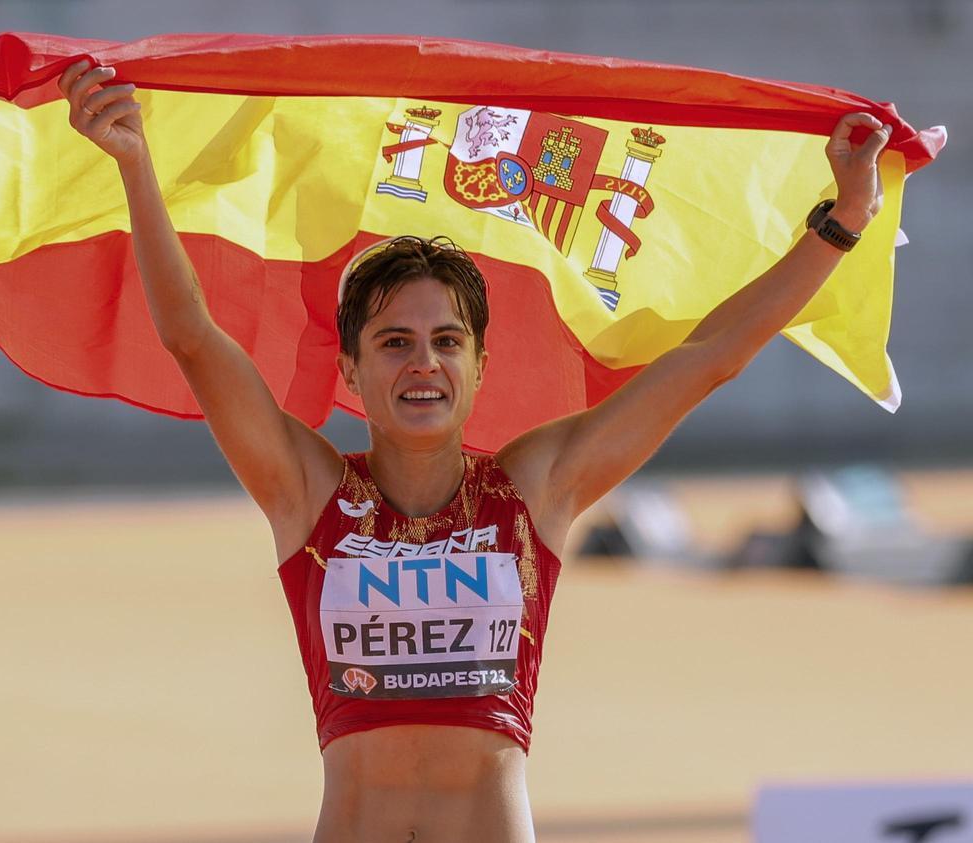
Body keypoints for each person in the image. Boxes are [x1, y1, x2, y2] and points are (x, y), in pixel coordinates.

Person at [57, 59, 889, 842]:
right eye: (394, 342)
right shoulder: (307, 493)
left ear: (480, 365)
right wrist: (134, 162)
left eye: (446, 341)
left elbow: (706, 359)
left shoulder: (534, 489)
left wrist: (842, 221)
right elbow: (193, 337)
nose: (423, 362)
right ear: (350, 368)